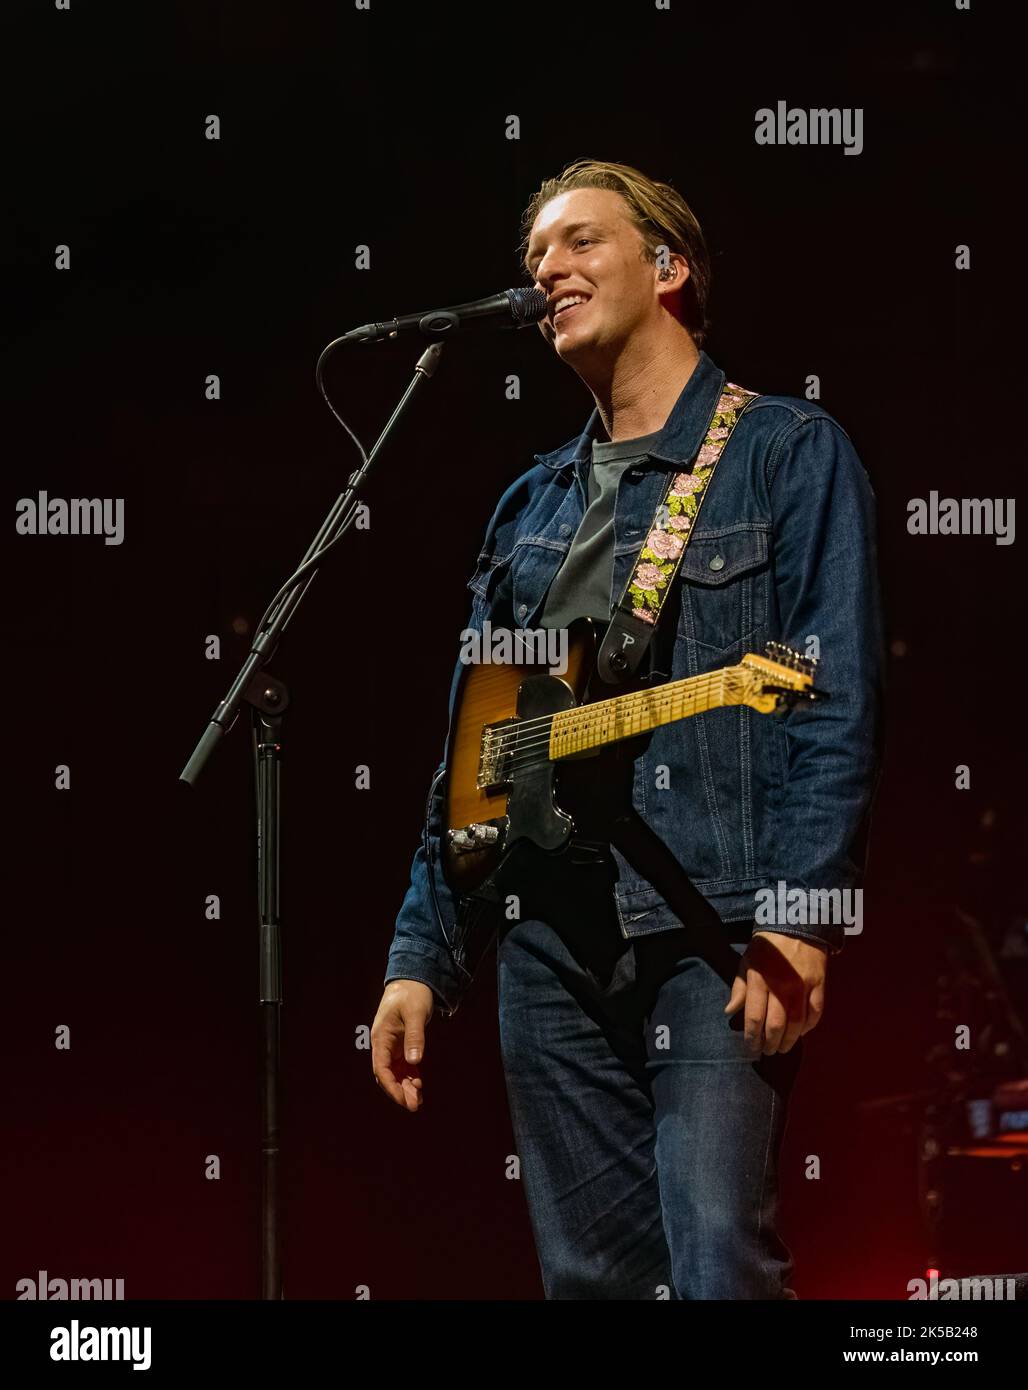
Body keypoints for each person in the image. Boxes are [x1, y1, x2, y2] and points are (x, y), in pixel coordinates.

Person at [371, 158, 884, 1299]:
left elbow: (834, 696)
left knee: (717, 1261)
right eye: (534, 257)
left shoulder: (784, 453)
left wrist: (801, 912)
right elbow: (475, 759)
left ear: (668, 267)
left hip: (707, 922)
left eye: (577, 243)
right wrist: (421, 958)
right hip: (546, 943)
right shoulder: (529, 505)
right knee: (590, 1280)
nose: (546, 270)